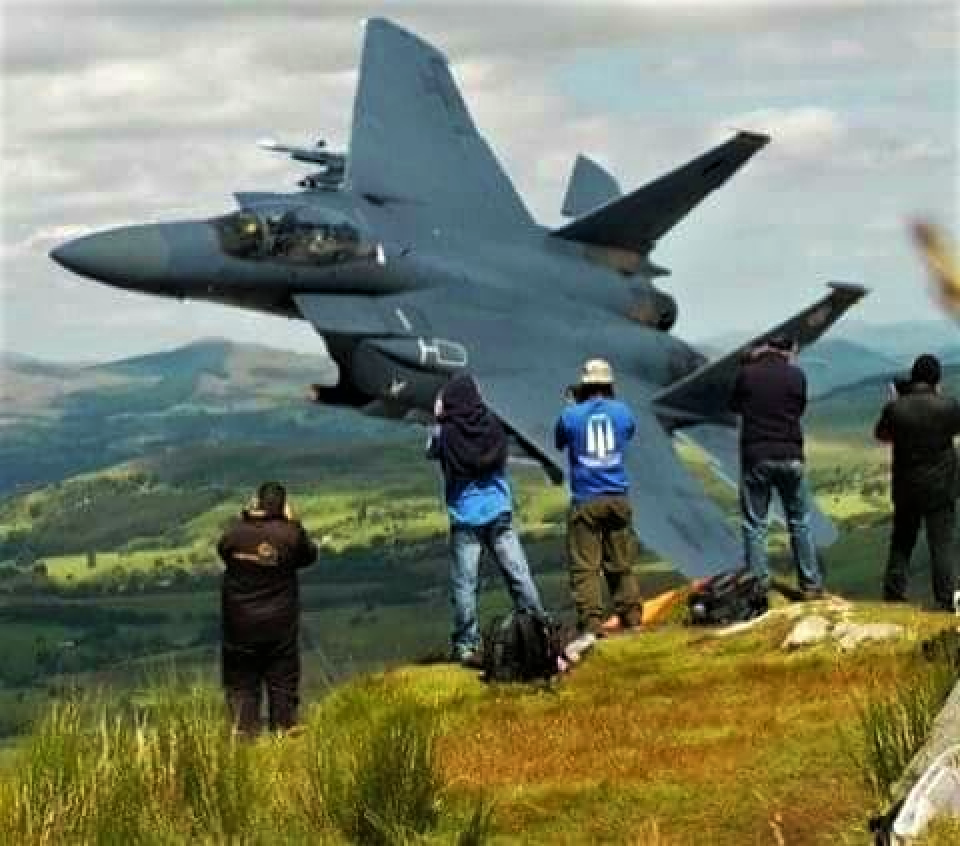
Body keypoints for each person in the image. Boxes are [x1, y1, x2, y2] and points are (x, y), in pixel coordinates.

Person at [427, 374, 545, 666]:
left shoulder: (446, 433)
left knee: (466, 584)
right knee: (517, 572)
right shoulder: (493, 425)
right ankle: (537, 627)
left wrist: (440, 416)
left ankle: (467, 643)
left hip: (465, 517)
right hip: (498, 510)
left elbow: (430, 450)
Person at [217, 482, 318, 735]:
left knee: (241, 683)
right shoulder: (290, 534)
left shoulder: (235, 534)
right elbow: (309, 555)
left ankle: (244, 733)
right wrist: (293, 523)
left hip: (239, 624)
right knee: (282, 678)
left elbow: (223, 550)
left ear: (257, 503)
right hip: (279, 623)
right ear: (284, 506)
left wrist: (247, 517)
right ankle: (284, 729)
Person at [554, 358, 643, 636]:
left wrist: (573, 407)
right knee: (621, 564)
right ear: (609, 384)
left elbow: (560, 441)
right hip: (617, 495)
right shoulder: (623, 412)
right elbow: (628, 433)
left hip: (586, 499)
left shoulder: (571, 415)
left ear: (584, 385)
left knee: (586, 568)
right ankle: (631, 619)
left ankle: (592, 624)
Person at [729, 335, 822, 599]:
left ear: (767, 348)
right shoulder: (797, 376)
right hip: (791, 454)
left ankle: (758, 586)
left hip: (757, 455)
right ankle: (811, 585)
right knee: (799, 521)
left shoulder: (747, 374)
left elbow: (734, 405)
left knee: (755, 523)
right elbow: (799, 409)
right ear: (789, 350)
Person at [874, 354, 960, 611]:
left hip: (907, 487)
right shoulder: (949, 406)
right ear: (937, 379)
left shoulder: (896, 408)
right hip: (942, 487)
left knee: (902, 542)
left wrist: (893, 404)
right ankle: (944, 601)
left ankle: (893, 596)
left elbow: (881, 435)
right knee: (942, 544)